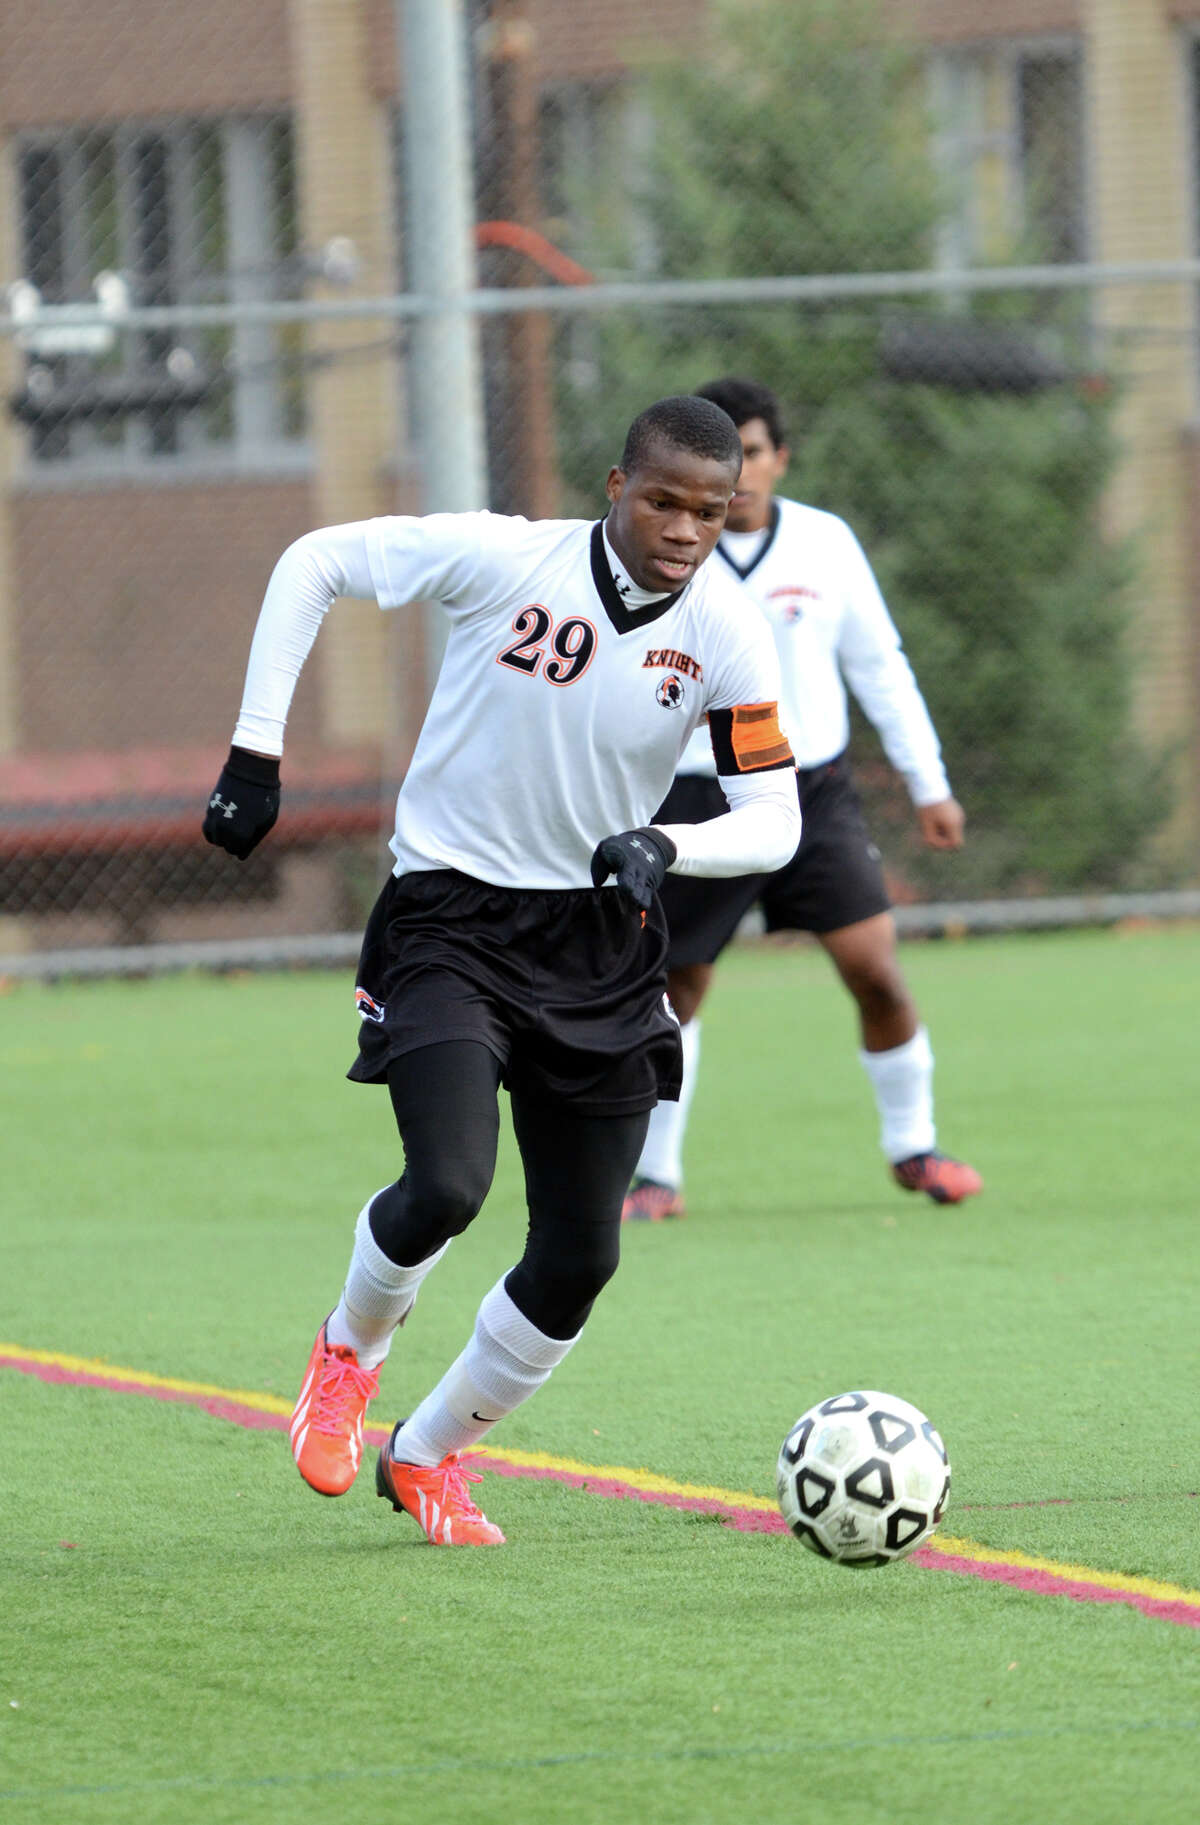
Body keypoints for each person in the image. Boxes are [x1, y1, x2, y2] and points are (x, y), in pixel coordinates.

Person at [202, 395, 800, 1546]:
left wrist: (667, 844)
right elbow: (314, 561)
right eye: (663, 501)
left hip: (599, 944)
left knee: (581, 1256)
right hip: (452, 921)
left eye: (711, 510)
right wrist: (254, 751)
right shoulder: (506, 559)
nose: (685, 529)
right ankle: (347, 1353)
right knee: (447, 1185)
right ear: (617, 487)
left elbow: (774, 816)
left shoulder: (727, 628)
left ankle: (426, 1452)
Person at [622, 377, 982, 1224]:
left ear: (779, 458)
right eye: (724, 456)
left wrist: (929, 783)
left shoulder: (825, 542)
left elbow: (879, 665)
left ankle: (915, 1147)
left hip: (814, 792)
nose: (739, 472)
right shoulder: (665, 552)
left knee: (876, 971)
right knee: (676, 990)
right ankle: (654, 1176)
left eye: (751, 453)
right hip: (699, 799)